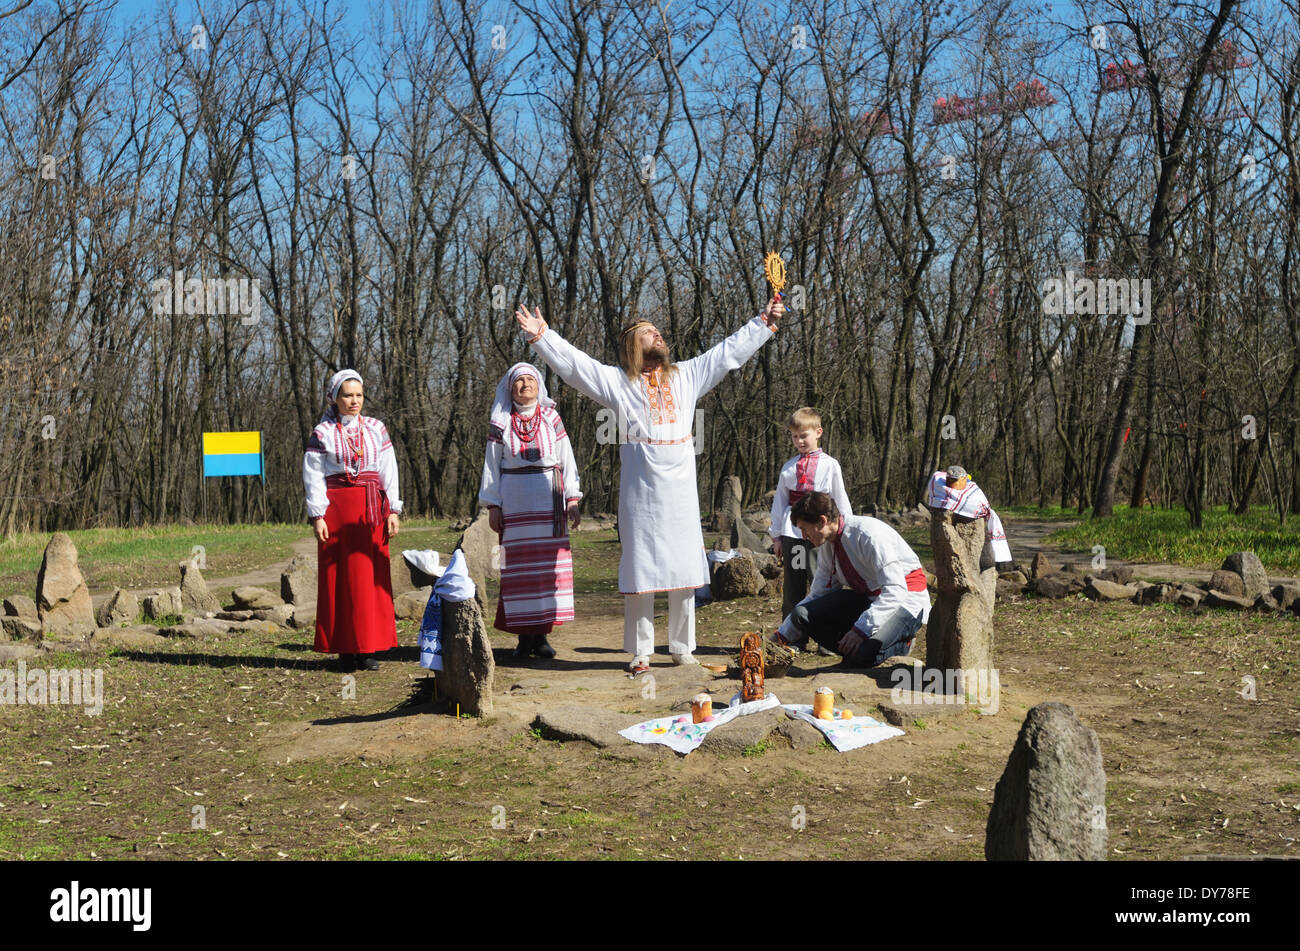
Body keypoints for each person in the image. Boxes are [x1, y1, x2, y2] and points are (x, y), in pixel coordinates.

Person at [515, 297, 783, 674]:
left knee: (685, 565)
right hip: (640, 490)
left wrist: (764, 323)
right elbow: (577, 366)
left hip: (681, 490)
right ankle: (641, 651)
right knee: (642, 566)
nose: (657, 334)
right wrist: (543, 337)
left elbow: (727, 354)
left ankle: (682, 647)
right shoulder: (617, 382)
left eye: (657, 331)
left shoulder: (686, 375)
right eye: (647, 332)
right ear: (632, 346)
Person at [478, 362, 582, 660]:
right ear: (510, 388)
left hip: (549, 499)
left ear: (539, 385)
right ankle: (525, 638)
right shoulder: (501, 421)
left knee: (546, 569)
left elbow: (567, 458)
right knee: (518, 568)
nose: (525, 385)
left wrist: (572, 499)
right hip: (515, 501)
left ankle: (542, 636)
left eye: (530, 380)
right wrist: (493, 504)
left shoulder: (551, 417)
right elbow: (491, 464)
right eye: (519, 381)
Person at [302, 370, 402, 672]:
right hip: (338, 510)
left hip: (371, 510)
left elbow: (389, 469)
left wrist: (393, 510)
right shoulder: (322, 433)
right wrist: (317, 514)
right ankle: (345, 649)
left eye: (358, 395)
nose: (354, 400)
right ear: (335, 397)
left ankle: (368, 647)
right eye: (347, 395)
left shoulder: (375, 429)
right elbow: (313, 476)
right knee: (340, 578)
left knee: (370, 577)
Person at [773, 491, 930, 666]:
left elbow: (896, 590)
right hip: (871, 599)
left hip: (905, 600)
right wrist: (781, 636)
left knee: (864, 655)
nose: (803, 536)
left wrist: (861, 629)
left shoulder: (868, 535)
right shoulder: (828, 546)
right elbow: (818, 593)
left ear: (822, 521)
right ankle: (855, 651)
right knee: (801, 614)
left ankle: (901, 643)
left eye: (804, 529)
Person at [769, 406, 854, 625]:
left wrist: (847, 528)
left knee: (821, 579)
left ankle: (826, 633)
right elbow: (779, 502)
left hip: (820, 532)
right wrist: (777, 536)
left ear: (818, 432)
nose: (799, 441)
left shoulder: (830, 465)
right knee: (793, 585)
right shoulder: (788, 468)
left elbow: (839, 497)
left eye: (804, 435)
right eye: (795, 437)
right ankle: (791, 634)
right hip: (793, 534)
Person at [925, 466, 1012, 567]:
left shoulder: (973, 494)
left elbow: (980, 506)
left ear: (964, 479)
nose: (951, 482)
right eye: (950, 480)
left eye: (955, 480)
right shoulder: (940, 486)